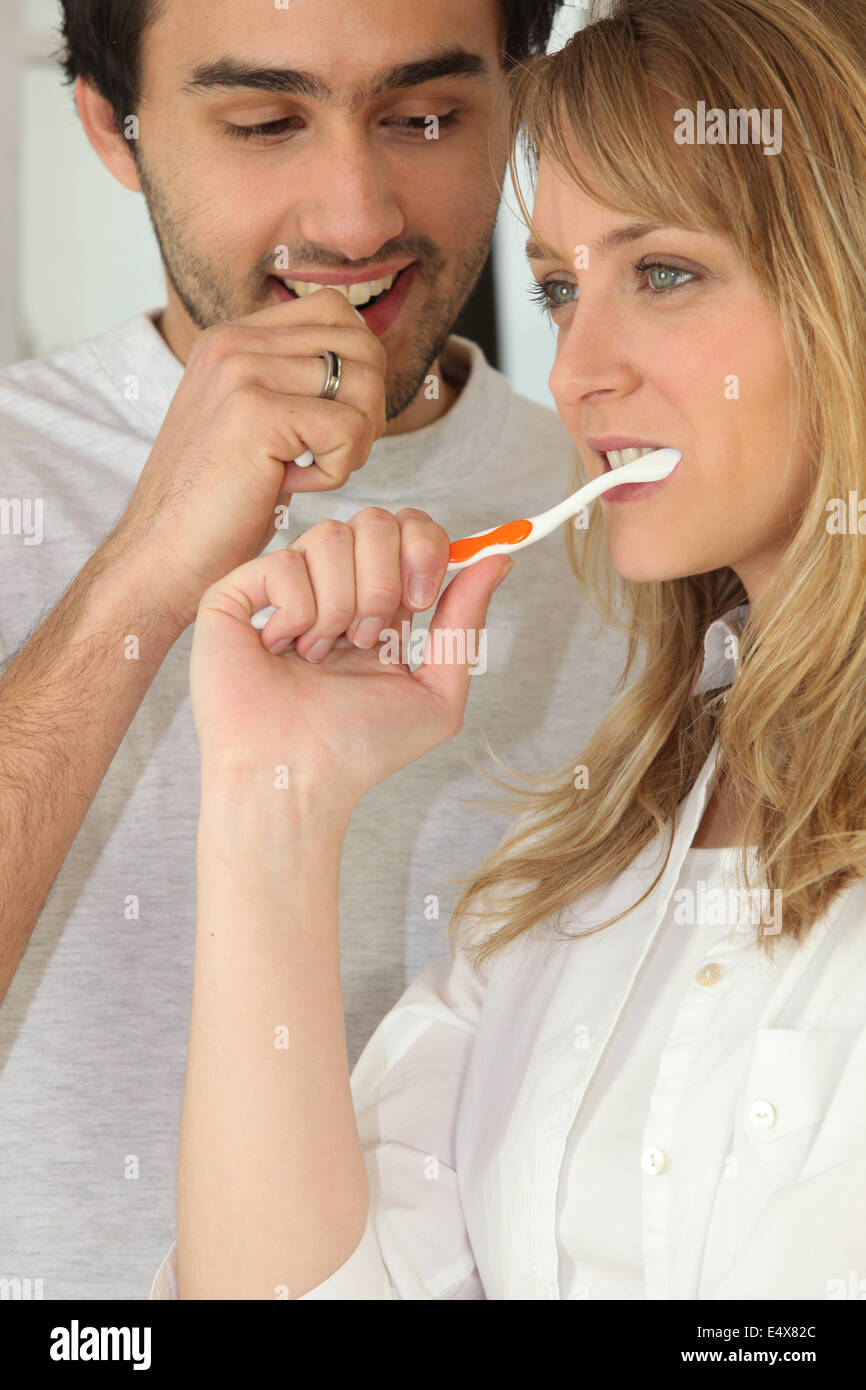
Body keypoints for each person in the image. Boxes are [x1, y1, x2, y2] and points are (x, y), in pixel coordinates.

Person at [151, 0, 866, 1300]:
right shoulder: (576, 868)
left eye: (659, 272)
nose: (577, 368)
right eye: (556, 289)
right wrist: (274, 804)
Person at [0, 0, 633, 1300]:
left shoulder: (640, 512)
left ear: (514, 103)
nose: (355, 219)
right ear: (112, 131)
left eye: (425, 116)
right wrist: (142, 570)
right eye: (263, 121)